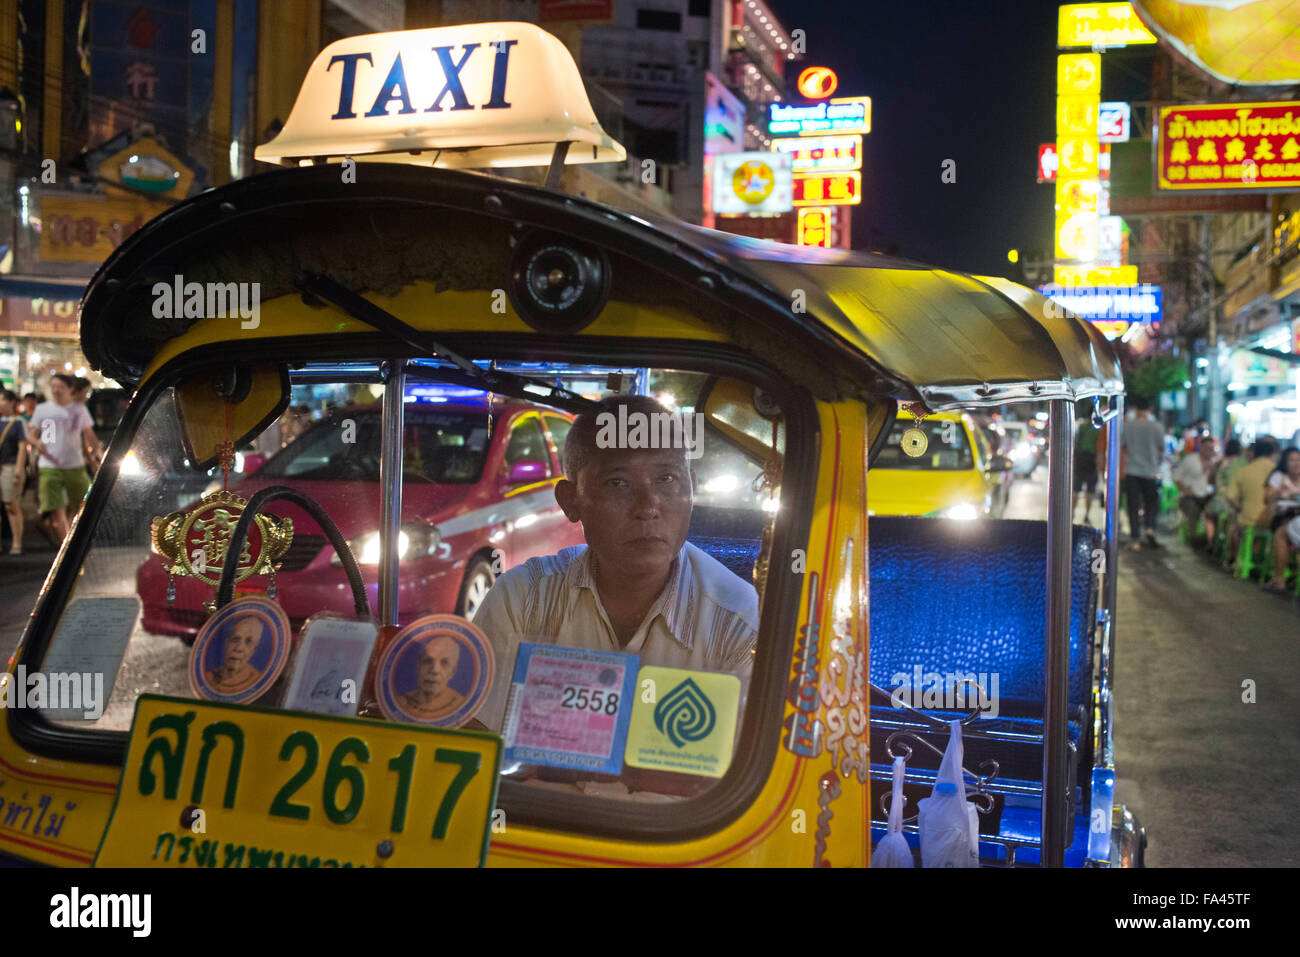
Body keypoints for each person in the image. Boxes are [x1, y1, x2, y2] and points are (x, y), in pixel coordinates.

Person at [473, 394, 758, 732]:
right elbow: (478, 742)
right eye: (618, 483)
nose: (648, 506)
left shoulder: (737, 622)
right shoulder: (521, 601)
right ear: (570, 501)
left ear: (692, 489)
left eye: (667, 479)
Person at [27, 374, 98, 544]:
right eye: (53, 386)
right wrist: (38, 443)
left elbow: (90, 437)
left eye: (60, 386)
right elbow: (32, 435)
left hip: (75, 466)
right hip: (49, 467)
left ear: (69, 389)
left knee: (83, 505)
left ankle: (70, 538)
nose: (56, 390)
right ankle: (67, 548)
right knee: (56, 512)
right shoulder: (43, 410)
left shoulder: (79, 410)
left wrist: (99, 457)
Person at [1225, 438, 1277, 569]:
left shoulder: (1243, 471)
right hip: (1272, 520)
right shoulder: (1278, 471)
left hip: (1249, 519)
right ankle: (1259, 560)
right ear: (1272, 454)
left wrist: (1240, 508)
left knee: (1235, 527)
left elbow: (1230, 497)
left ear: (1254, 453)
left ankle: (1237, 560)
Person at [1121, 396, 1166, 549]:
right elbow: (1162, 448)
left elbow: (1122, 446)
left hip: (1132, 470)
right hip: (1151, 471)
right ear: (1150, 409)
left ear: (1135, 409)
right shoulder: (1157, 427)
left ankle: (1135, 539)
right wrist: (1157, 462)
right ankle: (1150, 529)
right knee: (1151, 503)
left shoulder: (1128, 426)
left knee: (1133, 505)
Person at [398, 634, 465, 718]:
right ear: (419, 665)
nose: (434, 670)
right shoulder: (398, 703)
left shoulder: (463, 708)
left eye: (444, 663)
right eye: (428, 661)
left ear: (453, 671)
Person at [1265, 447, 1300, 594]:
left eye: (1298, 460)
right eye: (1292, 460)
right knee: (1282, 531)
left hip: (1296, 517)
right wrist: (1279, 491)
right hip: (1282, 516)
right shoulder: (1279, 476)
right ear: (1285, 462)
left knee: (1283, 534)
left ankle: (1281, 579)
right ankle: (1281, 579)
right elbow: (1267, 499)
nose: (1296, 463)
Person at [1172, 437, 1219, 544]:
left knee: (1215, 509)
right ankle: (1193, 538)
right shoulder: (1190, 459)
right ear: (1201, 447)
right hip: (1189, 497)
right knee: (1192, 510)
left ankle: (1211, 539)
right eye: (1207, 448)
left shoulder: (1214, 462)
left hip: (1207, 496)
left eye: (1212, 449)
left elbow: (1214, 482)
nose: (1210, 451)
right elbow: (1176, 477)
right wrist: (1185, 490)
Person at [204, 615, 265, 694]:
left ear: (254, 649)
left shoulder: (258, 682)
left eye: (248, 642)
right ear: (226, 643)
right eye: (235, 639)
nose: (239, 648)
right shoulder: (207, 677)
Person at [0, 389, 28, 555]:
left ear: (11, 402)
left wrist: (19, 468)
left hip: (10, 467)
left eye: (2, 400)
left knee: (11, 505)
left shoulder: (18, 422)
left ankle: (17, 543)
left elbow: (22, 446)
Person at [1072, 411, 1102, 523]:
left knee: (1076, 488)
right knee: (1090, 490)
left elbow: (1076, 443)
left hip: (1080, 459)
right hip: (1092, 460)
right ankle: (1086, 515)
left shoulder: (1082, 426)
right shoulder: (1098, 428)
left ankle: (1072, 512)